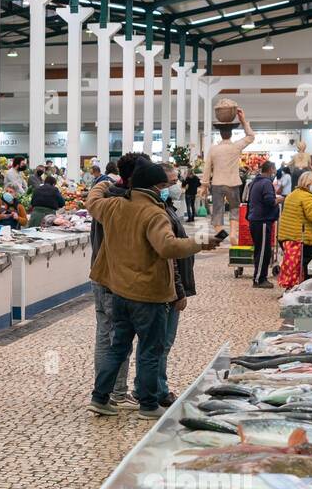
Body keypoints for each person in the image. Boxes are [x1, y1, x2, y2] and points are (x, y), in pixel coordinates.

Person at [87, 162, 218, 417]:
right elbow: (167, 248)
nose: (165, 190)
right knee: (150, 350)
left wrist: (104, 183)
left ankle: (100, 397)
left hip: (119, 292)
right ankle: (148, 404)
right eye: (163, 185)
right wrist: (200, 242)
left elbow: (92, 201)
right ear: (154, 187)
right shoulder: (153, 213)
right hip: (149, 294)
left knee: (118, 347)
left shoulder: (114, 205)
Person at [91, 152, 152, 409]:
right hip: (116, 277)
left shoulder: (104, 196)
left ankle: (104, 390)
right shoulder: (122, 202)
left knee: (105, 334)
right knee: (118, 338)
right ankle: (115, 392)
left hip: (99, 272)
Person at [156, 162, 196, 406]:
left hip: (172, 286)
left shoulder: (167, 208)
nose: (176, 186)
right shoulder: (160, 213)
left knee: (162, 343)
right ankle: (158, 390)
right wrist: (179, 291)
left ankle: (153, 387)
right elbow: (169, 256)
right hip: (168, 289)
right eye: (171, 183)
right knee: (162, 343)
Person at [202, 100, 255, 233]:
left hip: (217, 184)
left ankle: (220, 234)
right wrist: (243, 121)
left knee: (218, 209)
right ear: (231, 133)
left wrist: (204, 185)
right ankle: (232, 233)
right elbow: (250, 136)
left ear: (220, 133)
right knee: (234, 208)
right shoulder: (236, 147)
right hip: (233, 183)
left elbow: (207, 168)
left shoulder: (213, 149)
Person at [246, 161, 279, 289]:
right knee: (263, 251)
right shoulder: (266, 183)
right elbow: (270, 201)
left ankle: (260, 276)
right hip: (262, 220)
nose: (275, 173)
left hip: (256, 220)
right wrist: (279, 199)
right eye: (274, 170)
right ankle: (259, 278)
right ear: (270, 169)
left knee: (261, 249)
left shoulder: (256, 181)